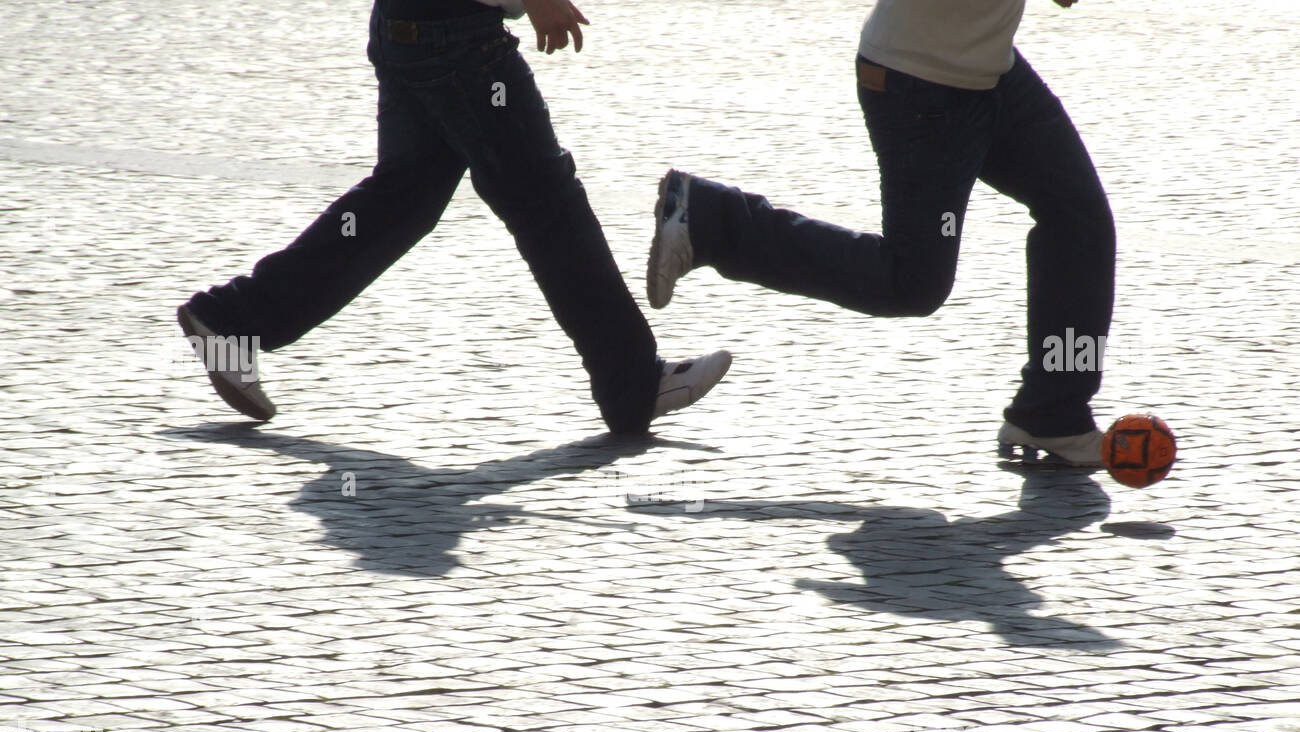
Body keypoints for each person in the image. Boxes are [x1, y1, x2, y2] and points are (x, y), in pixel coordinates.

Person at [179, 0, 730, 435]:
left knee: (403, 199)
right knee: (547, 205)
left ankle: (235, 321)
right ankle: (634, 383)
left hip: (410, 26)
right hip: (459, 41)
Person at [647, 0, 1113, 465]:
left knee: (1079, 219)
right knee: (913, 282)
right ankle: (711, 220)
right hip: (921, 86)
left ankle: (1054, 413)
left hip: (989, 70)